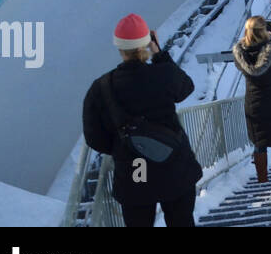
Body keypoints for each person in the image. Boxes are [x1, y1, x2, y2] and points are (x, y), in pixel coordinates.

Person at [81, 13, 203, 227]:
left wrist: (124, 146)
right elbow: (186, 87)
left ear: (119, 47)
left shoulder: (101, 87)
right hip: (174, 166)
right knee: (182, 221)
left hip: (134, 172)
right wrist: (159, 54)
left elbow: (94, 137)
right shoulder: (163, 74)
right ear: (147, 43)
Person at [231, 16, 271, 184]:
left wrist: (250, 35)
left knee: (259, 142)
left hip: (254, 102)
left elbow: (246, 45)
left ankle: (262, 179)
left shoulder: (240, 54)